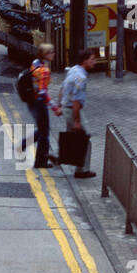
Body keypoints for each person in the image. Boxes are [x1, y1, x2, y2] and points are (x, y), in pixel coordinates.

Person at [59, 47, 100, 178]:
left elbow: (62, 87)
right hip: (72, 110)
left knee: (73, 137)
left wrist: (59, 104)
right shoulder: (81, 77)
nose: (95, 62)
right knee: (85, 138)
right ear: (84, 61)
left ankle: (65, 159)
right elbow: (76, 103)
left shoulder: (73, 69)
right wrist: (77, 121)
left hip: (66, 108)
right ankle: (81, 170)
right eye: (92, 60)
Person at [25, 43, 63, 168]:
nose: (54, 54)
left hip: (32, 100)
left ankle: (24, 144)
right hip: (40, 103)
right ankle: (41, 161)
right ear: (45, 55)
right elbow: (43, 92)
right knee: (45, 133)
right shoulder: (45, 70)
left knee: (42, 129)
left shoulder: (35, 63)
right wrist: (55, 108)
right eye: (51, 52)